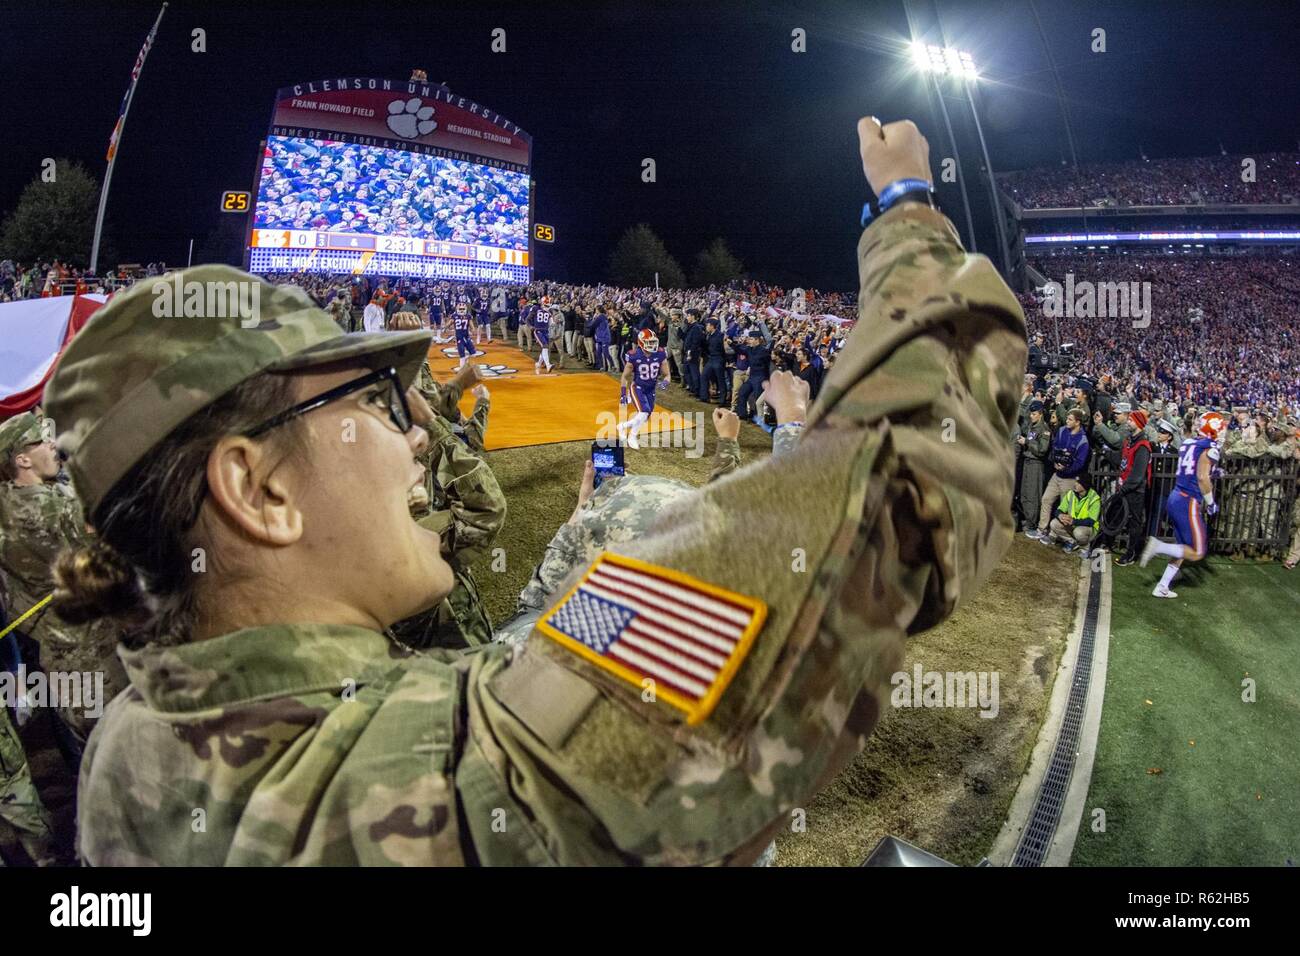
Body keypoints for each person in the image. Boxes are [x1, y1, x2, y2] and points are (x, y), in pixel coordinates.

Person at [47, 117, 1027, 866]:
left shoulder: (136, 745)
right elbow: (900, 484)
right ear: (257, 489)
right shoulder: (441, 774)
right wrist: (904, 208)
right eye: (377, 400)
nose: (420, 432)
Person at [1140, 411, 1225, 598]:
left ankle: (1162, 586)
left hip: (1176, 495)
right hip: (1189, 501)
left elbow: (1194, 469)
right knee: (1197, 551)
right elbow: (1202, 477)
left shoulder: (1188, 443)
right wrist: (1211, 503)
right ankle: (1158, 547)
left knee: (1182, 546)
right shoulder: (1210, 448)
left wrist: (1213, 472)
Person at [1029, 408, 1090, 541]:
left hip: (1070, 478)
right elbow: (1055, 447)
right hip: (1057, 475)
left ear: (1078, 422)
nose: (1067, 421)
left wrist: (1066, 468)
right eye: (1067, 418)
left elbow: (1080, 463)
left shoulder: (1083, 441)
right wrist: (1056, 461)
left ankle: (1065, 537)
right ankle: (1041, 530)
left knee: (1065, 509)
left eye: (1070, 419)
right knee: (1046, 499)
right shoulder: (1062, 430)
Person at [615, 328, 670, 450]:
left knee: (645, 417)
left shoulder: (660, 354)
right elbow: (625, 376)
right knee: (644, 411)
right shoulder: (634, 356)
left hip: (651, 389)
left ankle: (624, 428)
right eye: (649, 342)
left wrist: (665, 383)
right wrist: (623, 393)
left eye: (653, 342)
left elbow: (667, 375)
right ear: (641, 342)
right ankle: (629, 433)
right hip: (637, 387)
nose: (653, 345)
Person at [1016, 400, 1050, 532]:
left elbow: (1042, 449)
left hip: (1036, 464)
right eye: (1031, 413)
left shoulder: (1044, 429)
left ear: (1040, 414)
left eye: (1034, 413)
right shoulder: (1032, 426)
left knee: (1033, 494)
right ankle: (1028, 519)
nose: (1031, 416)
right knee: (1025, 492)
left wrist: (1027, 442)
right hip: (1028, 462)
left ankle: (1032, 522)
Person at [1046, 473, 1101, 553]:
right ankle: (1072, 542)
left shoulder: (1094, 498)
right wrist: (1060, 515)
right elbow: (1059, 510)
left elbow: (1091, 521)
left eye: (1078, 483)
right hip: (1073, 524)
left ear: (1084, 485)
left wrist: (1073, 521)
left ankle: (1084, 547)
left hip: (1087, 528)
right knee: (1054, 523)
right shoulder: (1071, 493)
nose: (1075, 484)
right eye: (1076, 481)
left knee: (1078, 532)